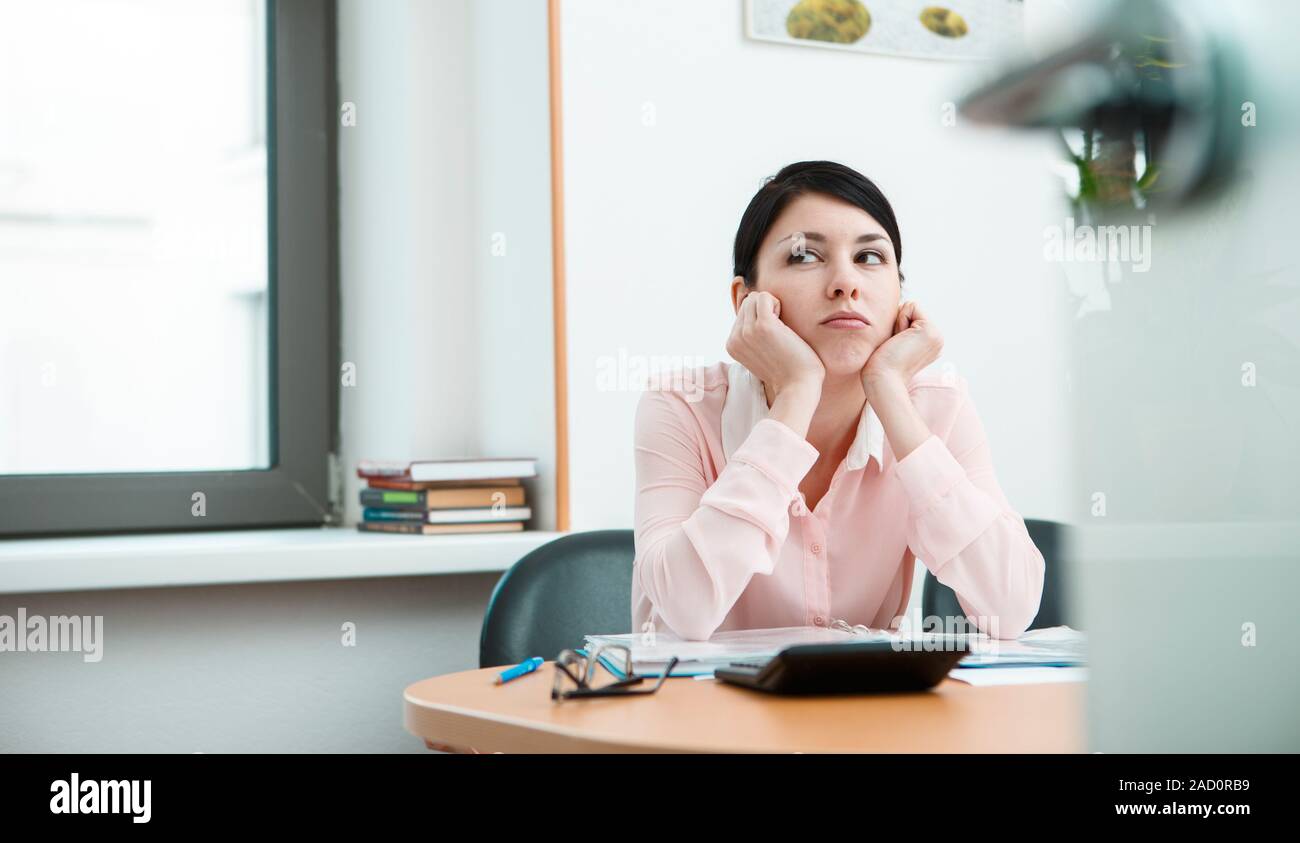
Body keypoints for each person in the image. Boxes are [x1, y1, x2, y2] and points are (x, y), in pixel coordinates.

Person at [631, 160, 1044, 642]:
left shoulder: (937, 407)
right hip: (703, 710)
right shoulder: (680, 406)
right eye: (804, 256)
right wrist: (796, 393)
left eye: (870, 257)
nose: (846, 283)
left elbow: (1011, 606)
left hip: (862, 712)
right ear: (747, 299)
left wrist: (890, 391)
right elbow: (687, 608)